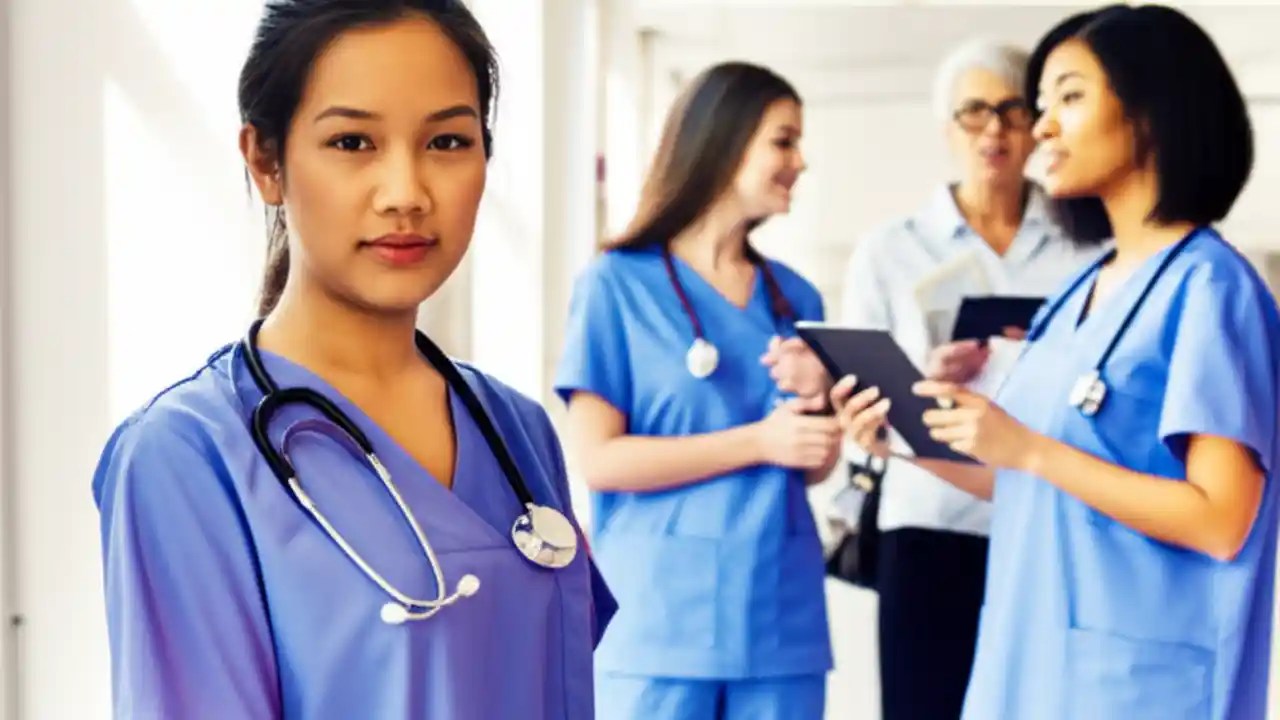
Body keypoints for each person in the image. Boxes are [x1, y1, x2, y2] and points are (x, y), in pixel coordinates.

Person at [92, 2, 614, 718]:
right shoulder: (188, 455)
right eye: (351, 142)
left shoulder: (518, 431)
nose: (406, 194)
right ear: (266, 161)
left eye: (448, 142)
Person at [835, 5, 1279, 719]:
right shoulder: (1081, 289)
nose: (1040, 128)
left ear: (1151, 109)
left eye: (1068, 98)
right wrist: (902, 444)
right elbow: (1027, 482)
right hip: (1030, 662)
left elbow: (1223, 517)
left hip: (1136, 682)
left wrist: (1030, 451)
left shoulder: (1212, 288)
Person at [766, 37, 1104, 719]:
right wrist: (921, 379)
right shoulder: (891, 249)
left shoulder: (1087, 246)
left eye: (1011, 110)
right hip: (927, 521)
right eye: (973, 112)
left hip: (1048, 515)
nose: (994, 130)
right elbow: (856, 388)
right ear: (946, 128)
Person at [554, 62, 841, 719]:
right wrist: (760, 441)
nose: (800, 161)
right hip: (659, 623)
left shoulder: (795, 296)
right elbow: (599, 459)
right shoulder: (616, 286)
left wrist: (822, 406)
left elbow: (816, 461)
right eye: (784, 140)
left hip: (779, 621)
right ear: (724, 139)